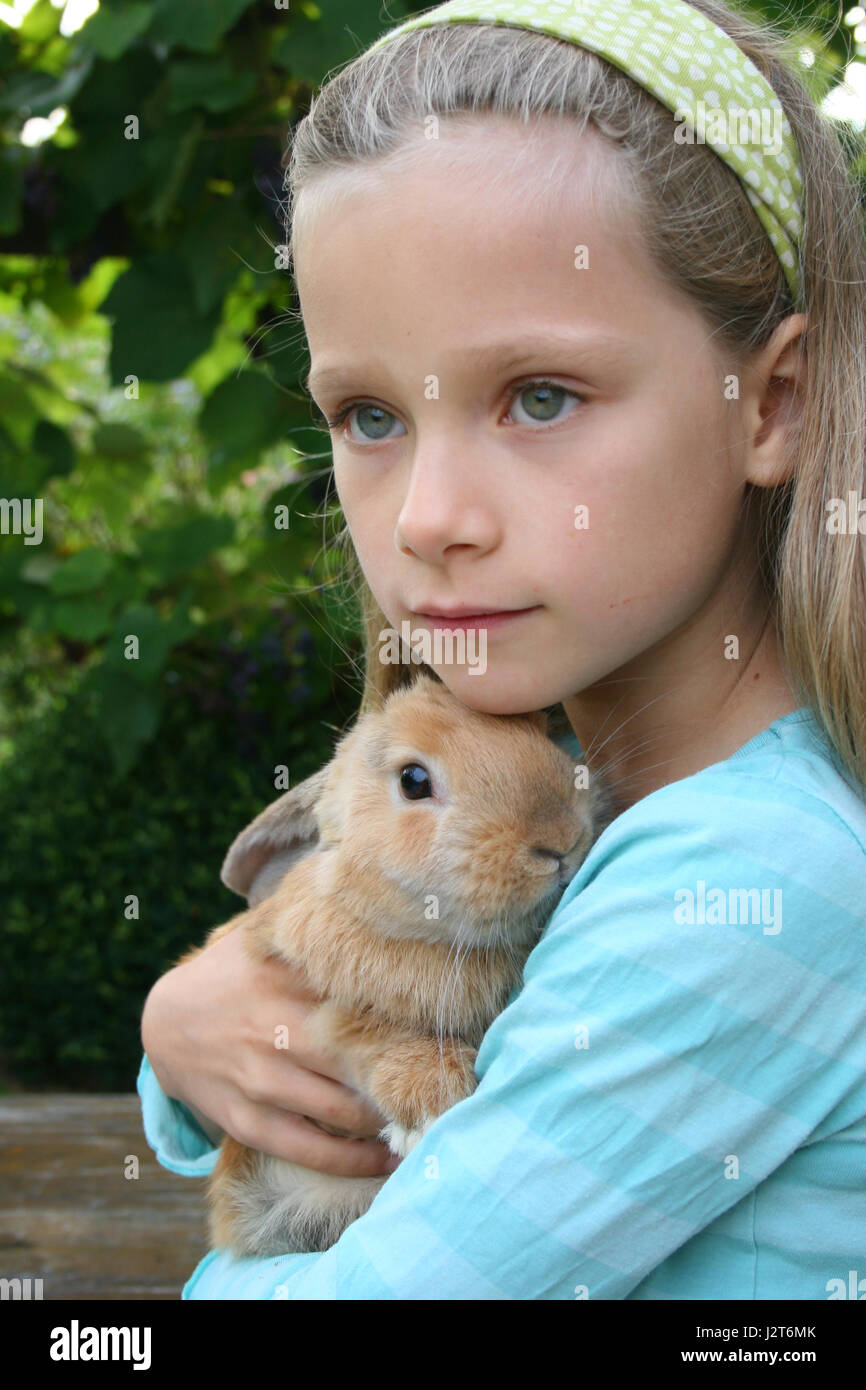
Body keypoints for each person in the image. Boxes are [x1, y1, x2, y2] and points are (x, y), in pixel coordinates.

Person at [138, 0, 866, 1299]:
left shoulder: (753, 875)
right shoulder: (577, 794)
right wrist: (180, 1039)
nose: (426, 518)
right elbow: (340, 954)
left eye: (538, 397)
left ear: (772, 403)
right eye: (366, 414)